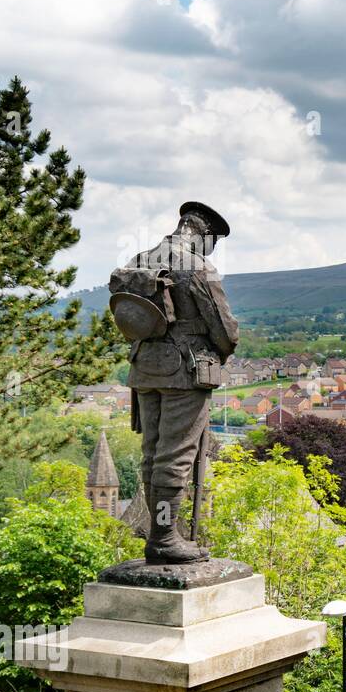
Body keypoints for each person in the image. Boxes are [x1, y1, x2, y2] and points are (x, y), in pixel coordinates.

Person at [111, 202, 239, 564]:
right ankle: (166, 537)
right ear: (204, 235)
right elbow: (224, 330)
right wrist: (219, 354)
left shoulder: (142, 258)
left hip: (144, 370)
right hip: (184, 371)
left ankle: (160, 533)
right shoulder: (198, 267)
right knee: (176, 456)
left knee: (152, 454)